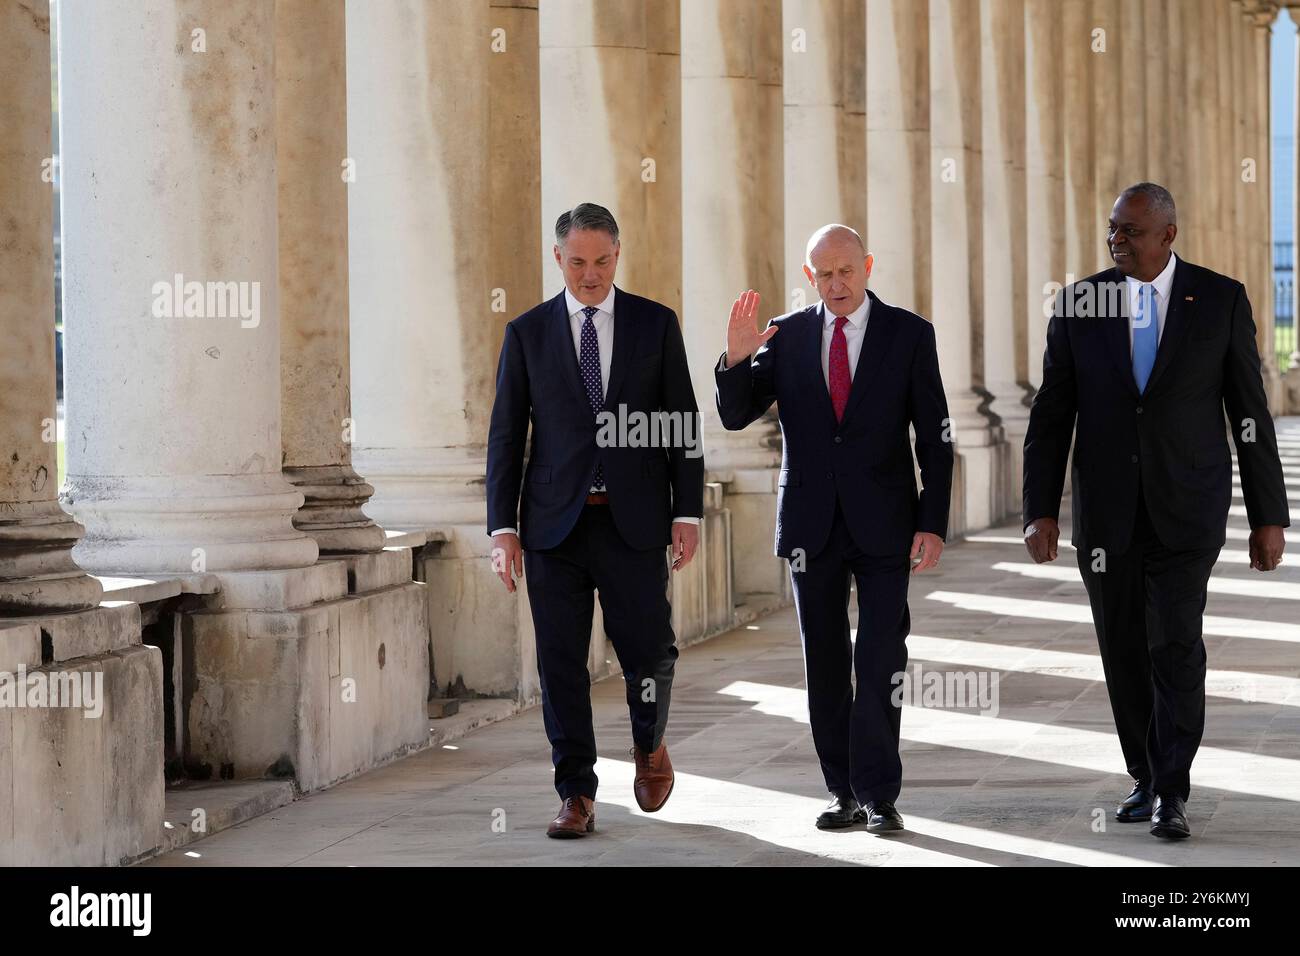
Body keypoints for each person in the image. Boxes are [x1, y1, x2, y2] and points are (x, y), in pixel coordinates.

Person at [1022, 182, 1289, 839]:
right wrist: (1039, 509)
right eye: (1113, 229)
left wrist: (1268, 515)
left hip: (1186, 505)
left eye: (1131, 231)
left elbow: (1249, 415)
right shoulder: (1080, 303)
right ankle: (1145, 774)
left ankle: (1172, 788)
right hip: (1107, 514)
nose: (1117, 241)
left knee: (1175, 644)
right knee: (1123, 650)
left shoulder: (1219, 300)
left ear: (1169, 234)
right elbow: (1052, 414)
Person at [714, 224, 953, 833]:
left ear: (868, 266)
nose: (837, 283)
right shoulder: (788, 337)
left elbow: (934, 436)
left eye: (847, 270)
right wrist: (736, 359)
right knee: (822, 660)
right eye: (825, 273)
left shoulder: (908, 334)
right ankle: (841, 792)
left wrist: (932, 522)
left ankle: (879, 794)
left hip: (886, 523)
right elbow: (737, 414)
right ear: (808, 277)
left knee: (879, 657)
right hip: (808, 525)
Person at [486, 203, 704, 838]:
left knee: (650, 653)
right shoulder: (526, 334)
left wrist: (685, 510)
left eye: (602, 261)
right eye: (577, 262)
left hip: (634, 522)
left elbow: (682, 426)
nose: (590, 274)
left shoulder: (654, 325)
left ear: (618, 255)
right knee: (560, 663)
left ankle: (649, 742)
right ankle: (576, 791)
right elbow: (506, 438)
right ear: (558, 258)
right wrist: (503, 527)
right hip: (554, 527)